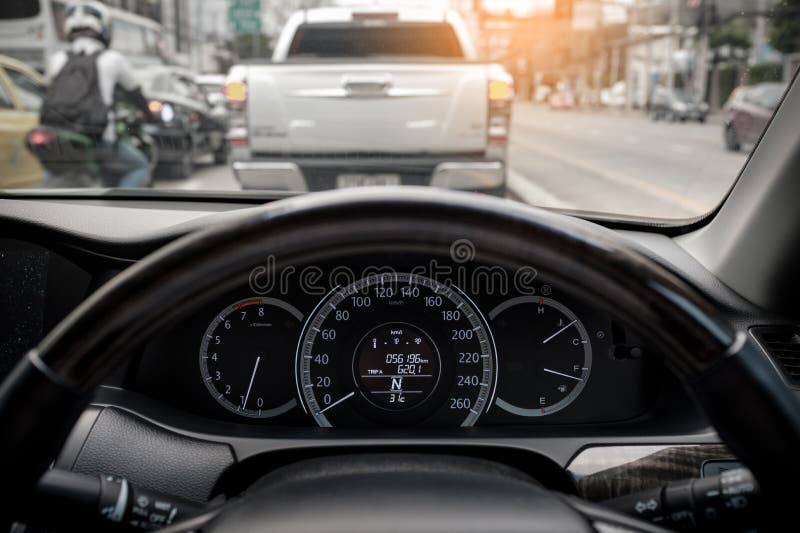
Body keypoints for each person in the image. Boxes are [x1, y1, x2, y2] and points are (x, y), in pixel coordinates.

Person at [42, 1, 153, 188]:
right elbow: (136, 95)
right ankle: (119, 215)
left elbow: (47, 94)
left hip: (58, 138)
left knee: (54, 170)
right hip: (98, 139)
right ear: (103, 27)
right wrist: (150, 115)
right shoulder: (113, 59)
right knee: (139, 166)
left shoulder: (56, 59)